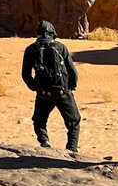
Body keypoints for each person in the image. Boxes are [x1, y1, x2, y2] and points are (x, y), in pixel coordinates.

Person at [21, 19, 81, 154]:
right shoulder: (60, 47)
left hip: (43, 93)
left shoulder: (31, 49)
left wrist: (35, 87)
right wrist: (71, 87)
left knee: (39, 120)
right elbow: (72, 71)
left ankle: (44, 141)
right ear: (52, 32)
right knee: (74, 121)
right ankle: (72, 149)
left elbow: (25, 74)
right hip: (62, 91)